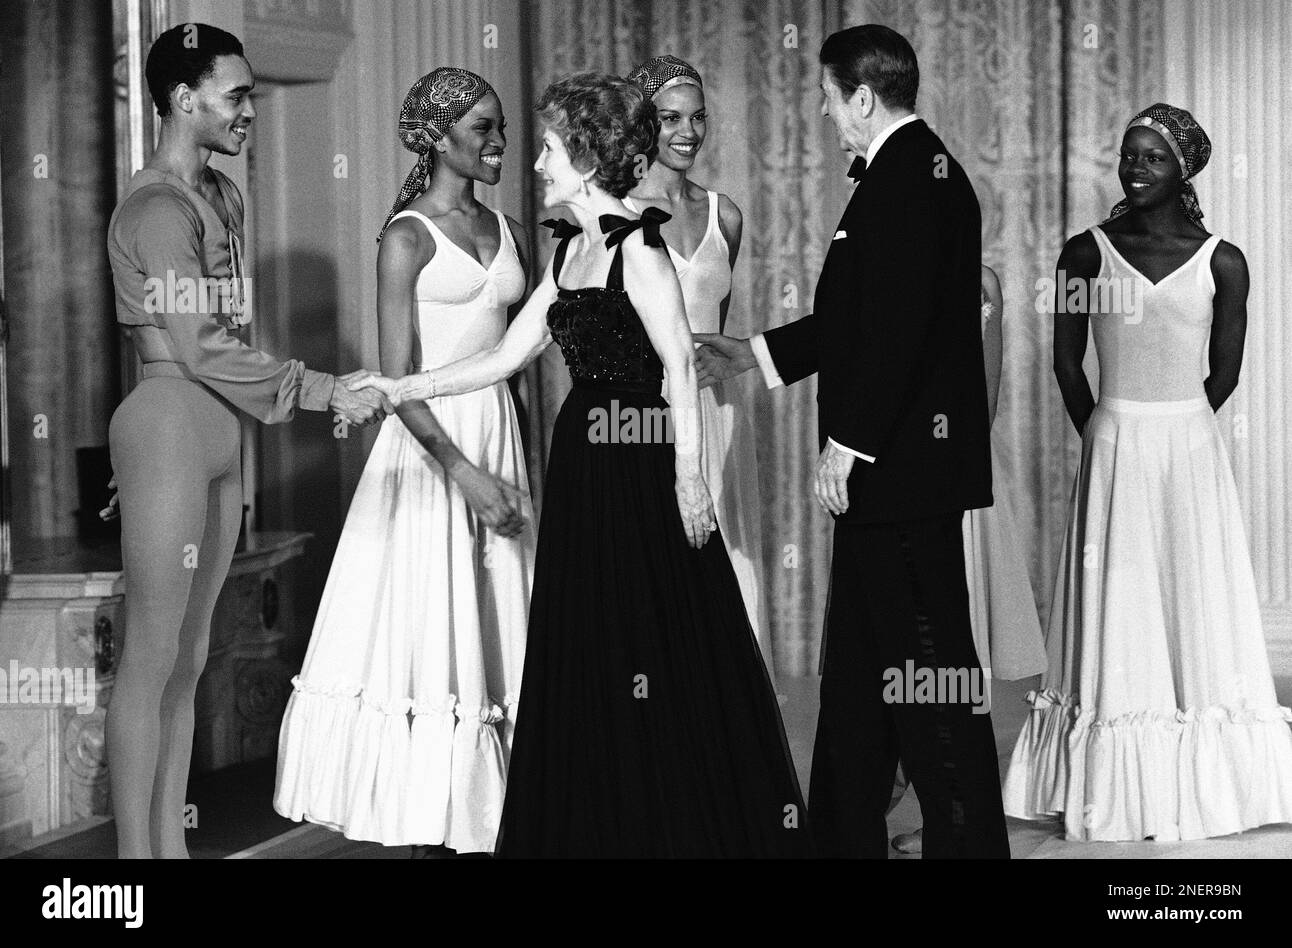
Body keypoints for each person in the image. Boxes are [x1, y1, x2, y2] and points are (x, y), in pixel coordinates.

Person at [352, 72, 810, 857]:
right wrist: (399, 385)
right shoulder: (569, 250)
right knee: (586, 648)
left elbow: (676, 367)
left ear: (590, 158)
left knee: (659, 646)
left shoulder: (642, 249)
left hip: (643, 464)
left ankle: (675, 825)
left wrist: (690, 480)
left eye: (552, 149)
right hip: (583, 468)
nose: (536, 163)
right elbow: (502, 357)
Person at [695, 24, 1010, 858]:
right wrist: (755, 354)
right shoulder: (909, 172)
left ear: (863, 96)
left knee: (931, 673)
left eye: (831, 99)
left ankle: (970, 848)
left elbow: (902, 330)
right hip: (897, 478)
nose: (829, 116)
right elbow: (856, 320)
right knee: (864, 679)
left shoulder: (910, 177)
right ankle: (840, 837)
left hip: (899, 475)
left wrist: (851, 443)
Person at [103, 23, 389, 859]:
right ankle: (133, 866)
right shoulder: (155, 208)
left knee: (191, 657)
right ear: (182, 100)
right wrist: (320, 387)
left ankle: (170, 849)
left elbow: (231, 330)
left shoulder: (221, 197)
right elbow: (195, 343)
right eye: (234, 97)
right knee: (152, 657)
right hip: (167, 419)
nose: (248, 113)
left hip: (218, 427)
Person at [1003, 104, 1292, 841]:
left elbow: (1222, 374)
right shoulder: (1084, 253)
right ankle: (1112, 789)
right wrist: (1105, 433)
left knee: (1191, 598)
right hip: (1114, 443)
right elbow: (1068, 362)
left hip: (1189, 450)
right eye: (1128, 155)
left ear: (1184, 168)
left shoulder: (1224, 260)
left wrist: (1176, 429)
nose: (1135, 168)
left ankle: (1209, 786)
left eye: (1153, 157)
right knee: (1120, 606)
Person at [272, 69, 535, 857]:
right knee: (431, 648)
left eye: (501, 127)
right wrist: (463, 472)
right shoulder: (406, 237)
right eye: (481, 127)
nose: (497, 142)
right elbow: (395, 381)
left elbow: (518, 358)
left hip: (502, 434)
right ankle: (430, 830)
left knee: (503, 635)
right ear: (436, 136)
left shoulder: (514, 228)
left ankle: (502, 821)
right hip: (430, 451)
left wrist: (519, 463)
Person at [890, 265, 1047, 855]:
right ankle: (902, 786)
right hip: (892, 474)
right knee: (906, 648)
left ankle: (948, 813)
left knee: (958, 648)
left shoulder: (979, 283)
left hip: (954, 479)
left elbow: (985, 400)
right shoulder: (882, 265)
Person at [622, 55, 771, 674]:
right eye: (670, 118)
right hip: (648, 412)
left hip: (717, 411)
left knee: (728, 568)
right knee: (656, 572)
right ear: (640, 125)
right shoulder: (616, 214)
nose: (688, 132)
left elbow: (720, 328)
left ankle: (734, 730)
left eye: (698, 117)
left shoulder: (724, 214)